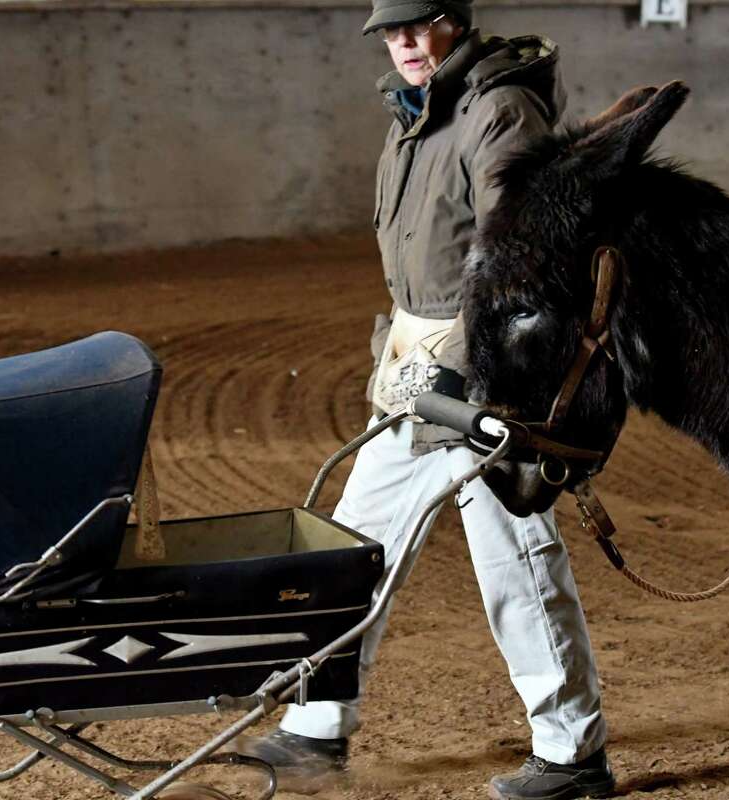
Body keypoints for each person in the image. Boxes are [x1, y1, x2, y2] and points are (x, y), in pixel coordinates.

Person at [232, 4, 613, 799]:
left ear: (455, 20)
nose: (403, 44)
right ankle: (315, 728)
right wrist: (404, 350)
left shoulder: (500, 110)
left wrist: (489, 382)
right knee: (353, 544)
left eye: (417, 27)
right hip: (414, 369)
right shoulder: (415, 114)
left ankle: (573, 754)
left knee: (518, 563)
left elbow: (523, 260)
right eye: (390, 33)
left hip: (484, 380)